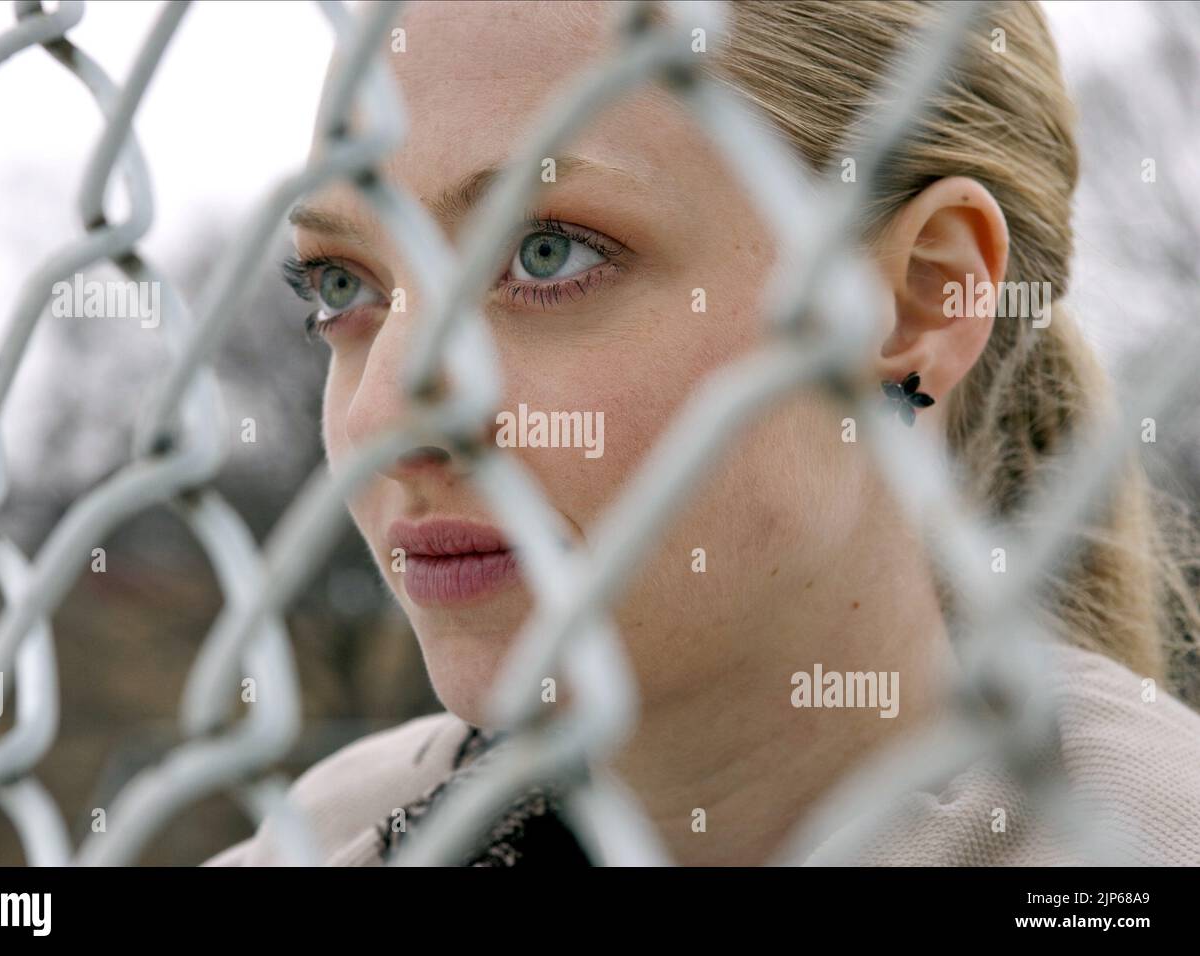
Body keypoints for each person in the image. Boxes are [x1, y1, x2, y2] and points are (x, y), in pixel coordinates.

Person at [206, 0, 1200, 867]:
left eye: (546, 255)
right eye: (343, 285)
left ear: (919, 300)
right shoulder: (321, 833)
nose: (383, 414)